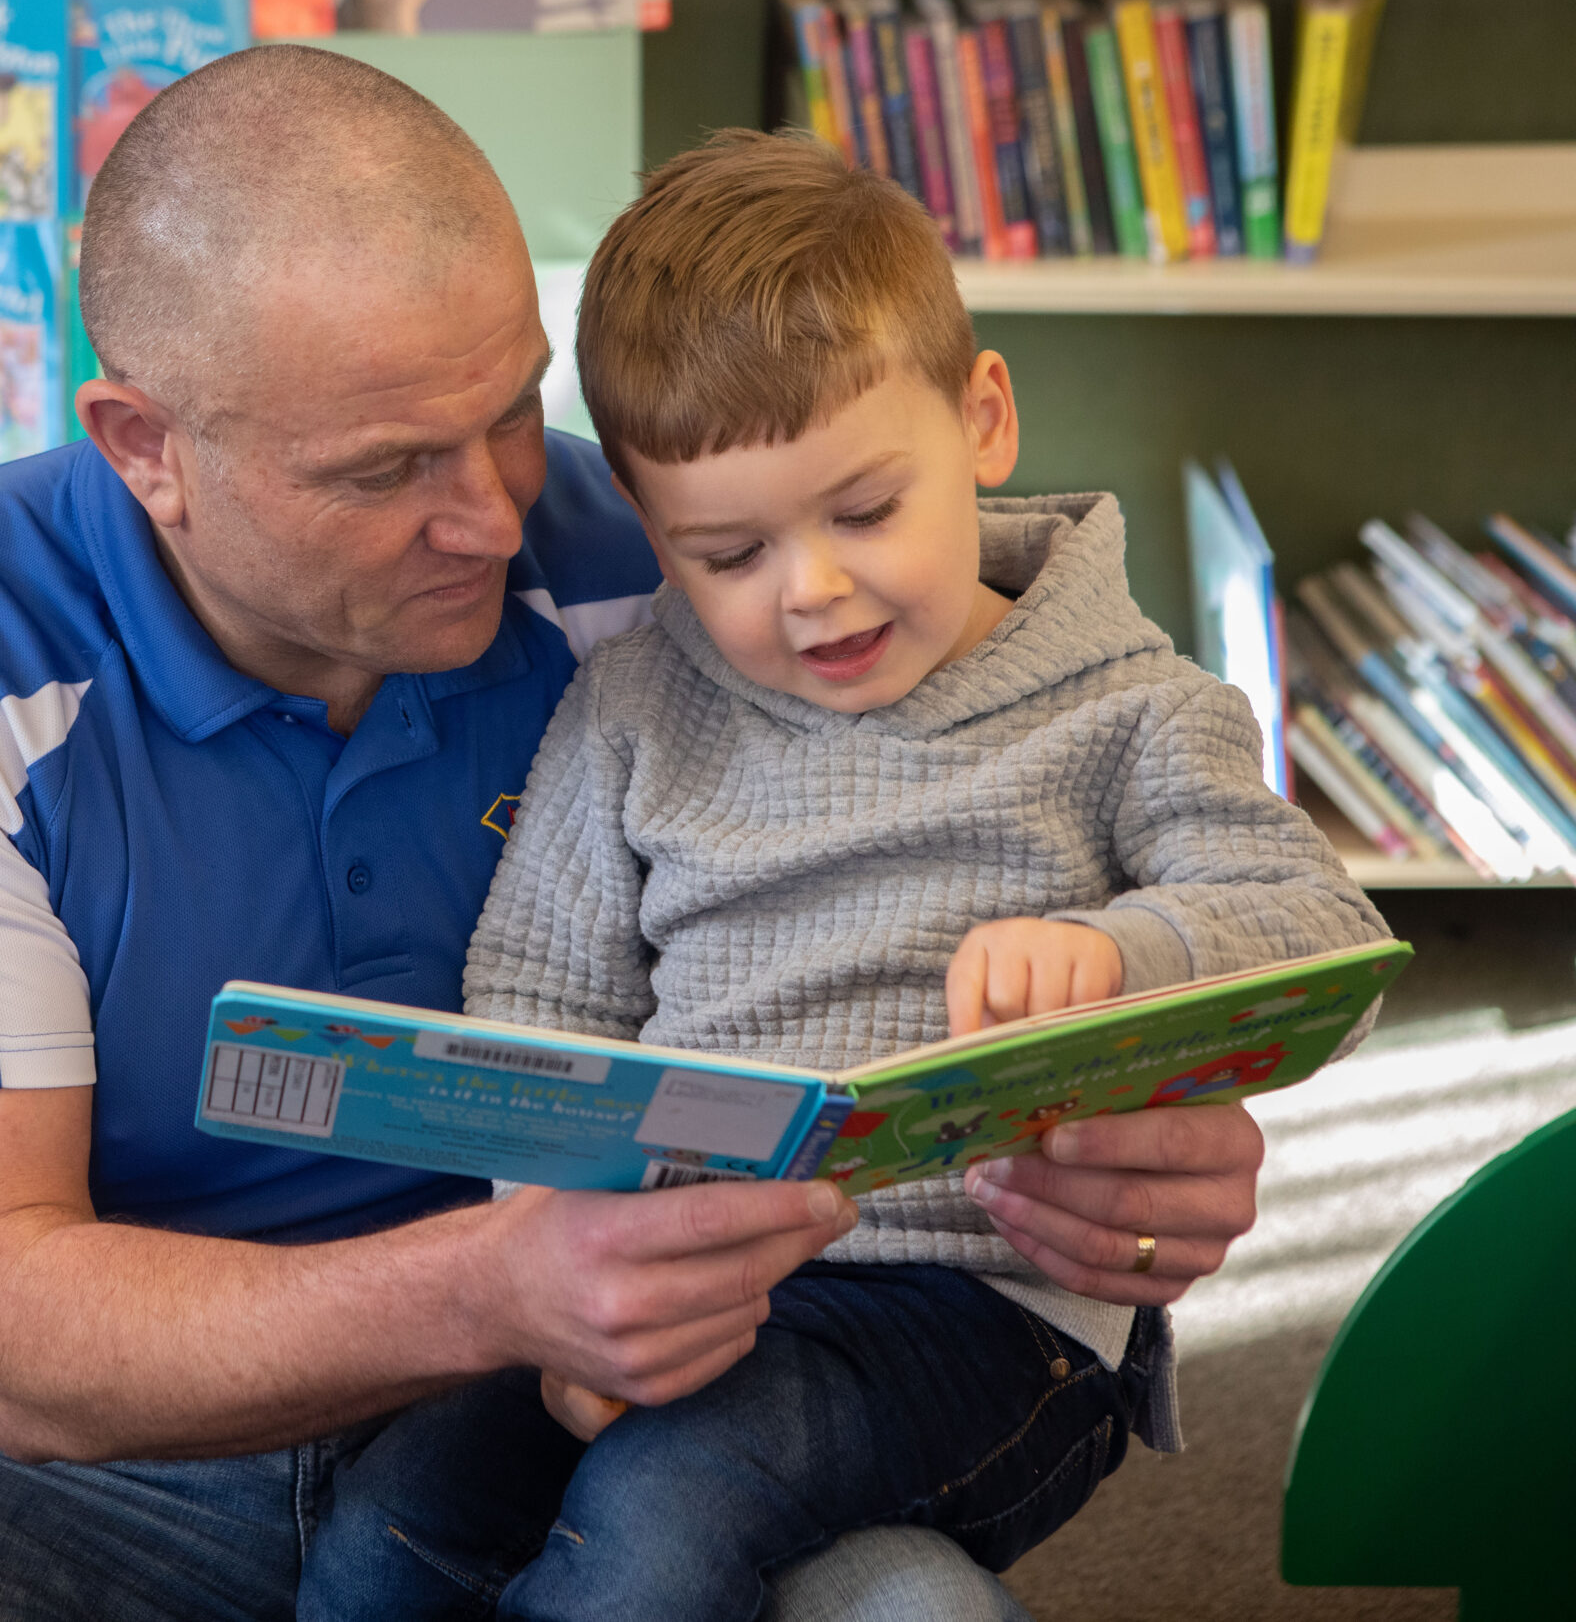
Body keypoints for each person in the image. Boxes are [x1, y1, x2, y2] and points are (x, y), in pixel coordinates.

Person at [0, 48, 1276, 1622]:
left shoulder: (694, 573)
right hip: (104, 1449)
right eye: (387, 469)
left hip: (655, 1388)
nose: (490, 513)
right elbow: (6, 1331)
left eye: (511, 410)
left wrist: (1139, 1150)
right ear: (145, 447)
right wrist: (494, 1287)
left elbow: (1031, 821)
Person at [294, 128, 1390, 1622]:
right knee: (392, 1519)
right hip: (688, 1281)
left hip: (989, 1319)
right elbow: (539, 999)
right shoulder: (632, 710)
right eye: (728, 552)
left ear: (983, 417)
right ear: (640, 519)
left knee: (661, 1512)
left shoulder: (1134, 711)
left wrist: (1122, 954)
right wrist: (570, 1285)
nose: (811, 590)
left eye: (865, 512)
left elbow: (1327, 943)